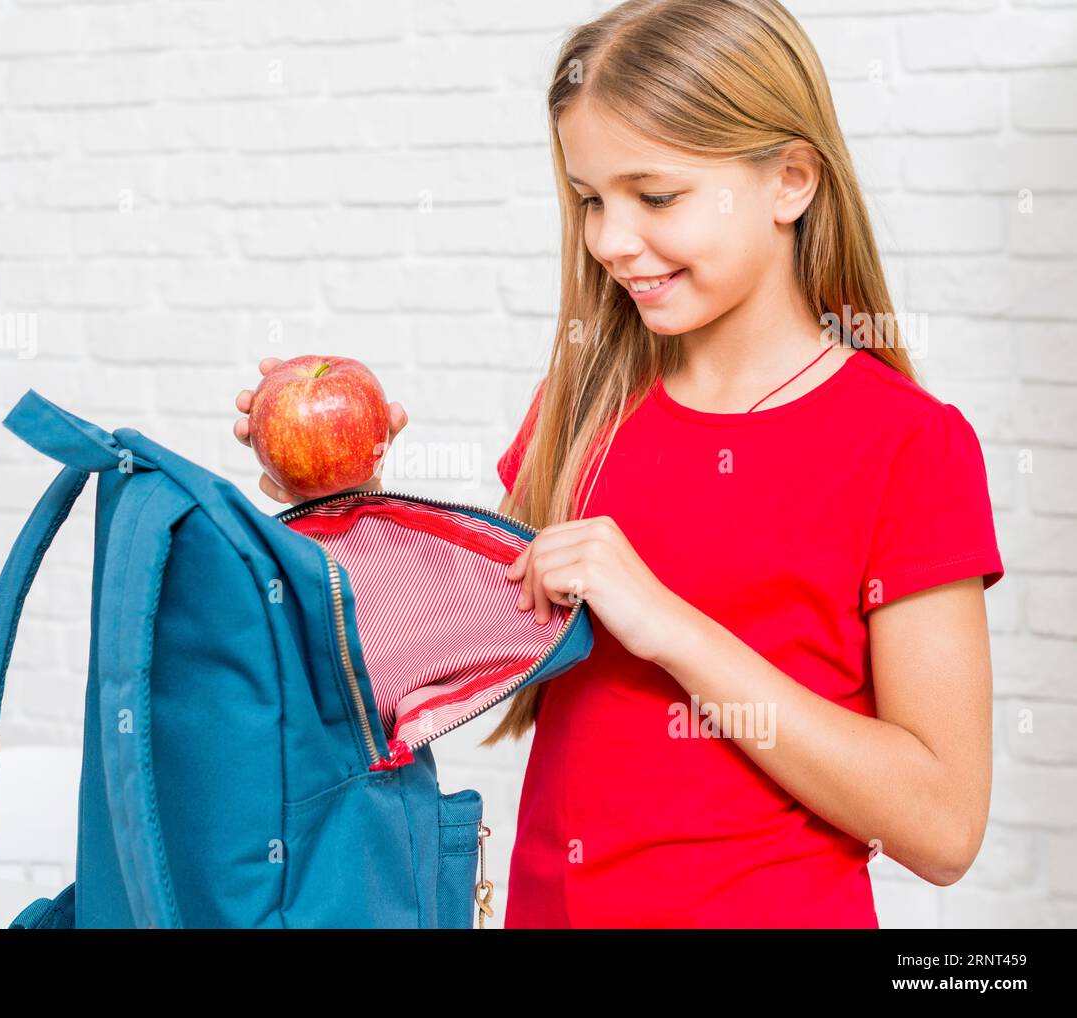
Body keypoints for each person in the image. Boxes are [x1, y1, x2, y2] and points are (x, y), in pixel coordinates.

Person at [234, 0, 1005, 928]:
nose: (609, 240)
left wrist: (669, 623)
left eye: (657, 196)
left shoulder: (906, 444)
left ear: (790, 180)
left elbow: (943, 825)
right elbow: (453, 657)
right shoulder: (590, 397)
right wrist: (338, 501)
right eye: (592, 198)